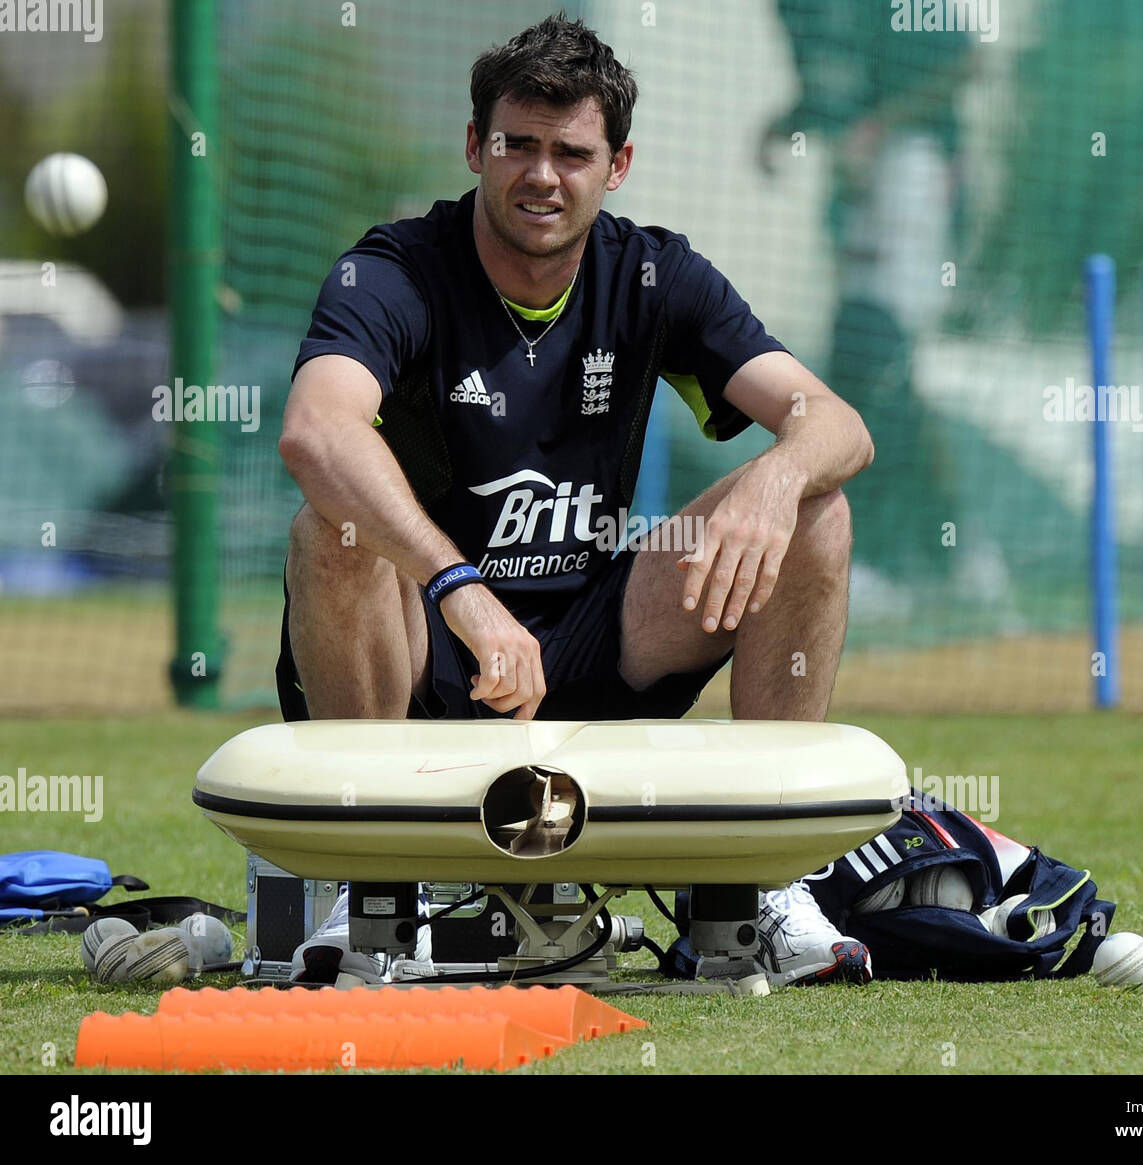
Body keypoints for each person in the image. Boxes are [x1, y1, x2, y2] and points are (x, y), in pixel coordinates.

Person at [276, 14, 873, 986]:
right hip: (426, 658)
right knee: (332, 526)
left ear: (617, 163)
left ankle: (768, 883)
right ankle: (368, 886)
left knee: (816, 505)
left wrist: (773, 477)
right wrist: (460, 588)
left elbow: (837, 421)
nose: (541, 174)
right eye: (516, 144)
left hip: (593, 644)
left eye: (570, 151)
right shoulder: (393, 270)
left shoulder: (653, 274)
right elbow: (315, 431)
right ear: (475, 146)